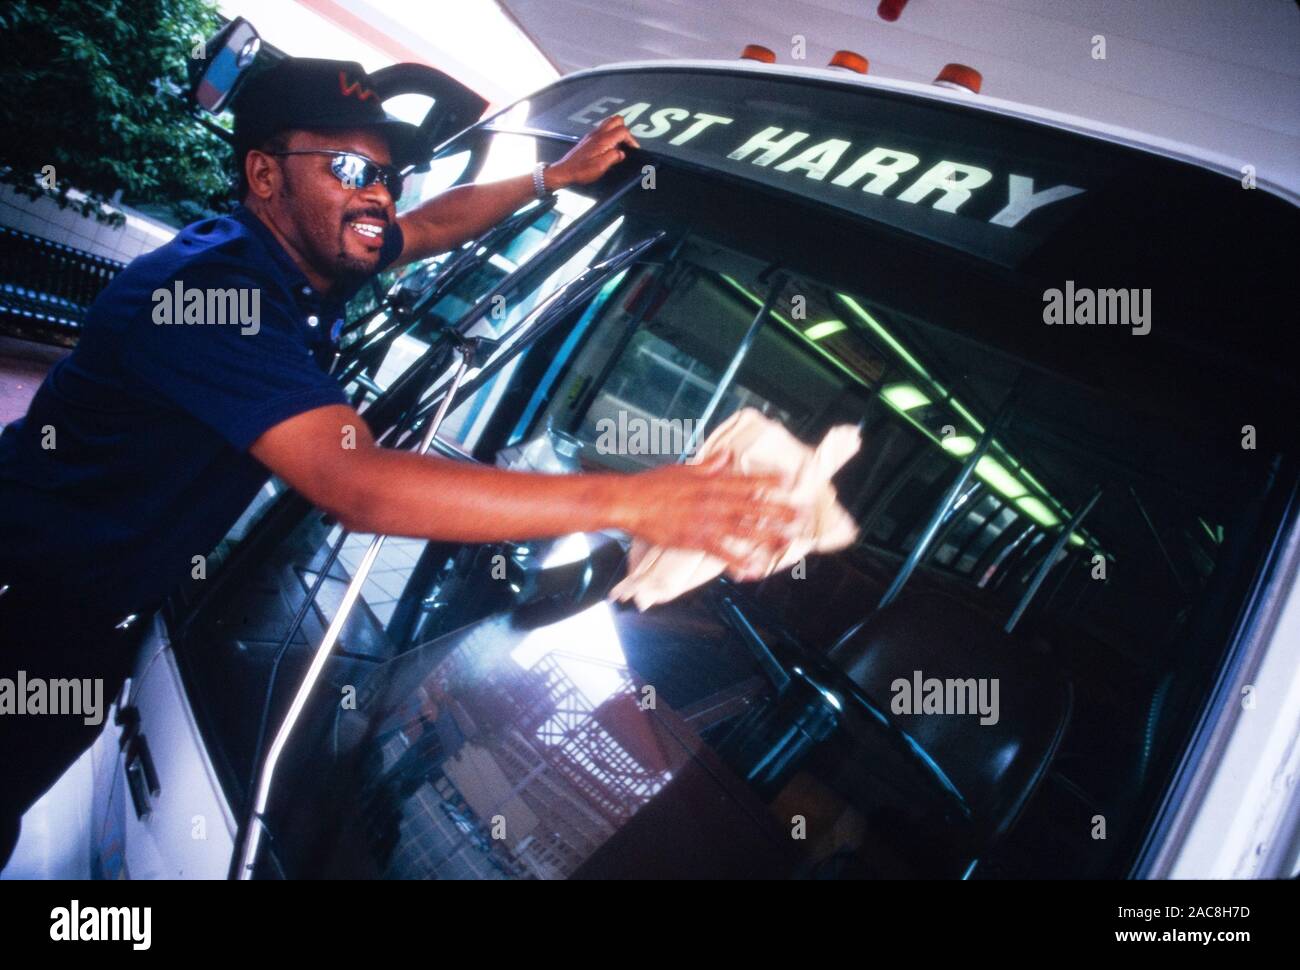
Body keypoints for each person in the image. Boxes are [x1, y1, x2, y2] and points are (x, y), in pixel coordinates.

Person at [0, 58, 799, 868]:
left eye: (388, 174)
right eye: (350, 170)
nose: (379, 195)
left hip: (90, 628)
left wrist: (552, 176)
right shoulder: (215, 294)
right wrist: (639, 502)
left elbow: (434, 225)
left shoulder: (302, 263)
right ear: (264, 174)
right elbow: (359, 483)